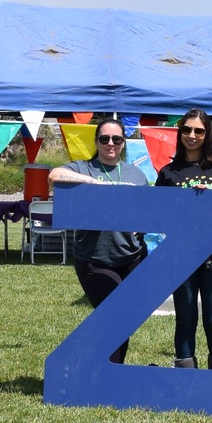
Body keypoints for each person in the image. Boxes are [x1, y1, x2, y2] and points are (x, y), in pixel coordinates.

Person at [154, 108, 212, 397]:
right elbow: (159, 214)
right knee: (185, 319)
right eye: (187, 130)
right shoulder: (168, 173)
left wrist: (208, 203)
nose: (192, 136)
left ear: (208, 136)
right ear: (180, 133)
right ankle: (186, 383)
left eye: (199, 131)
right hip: (180, 254)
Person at [51, 117, 152, 365]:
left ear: (123, 143)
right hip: (95, 259)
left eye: (116, 139)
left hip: (133, 258)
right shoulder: (84, 168)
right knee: (113, 314)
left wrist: (145, 225)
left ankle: (108, 371)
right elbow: (54, 175)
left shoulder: (136, 174)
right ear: (96, 141)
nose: (110, 143)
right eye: (104, 138)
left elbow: (149, 211)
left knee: (124, 317)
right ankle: (106, 371)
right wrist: (92, 182)